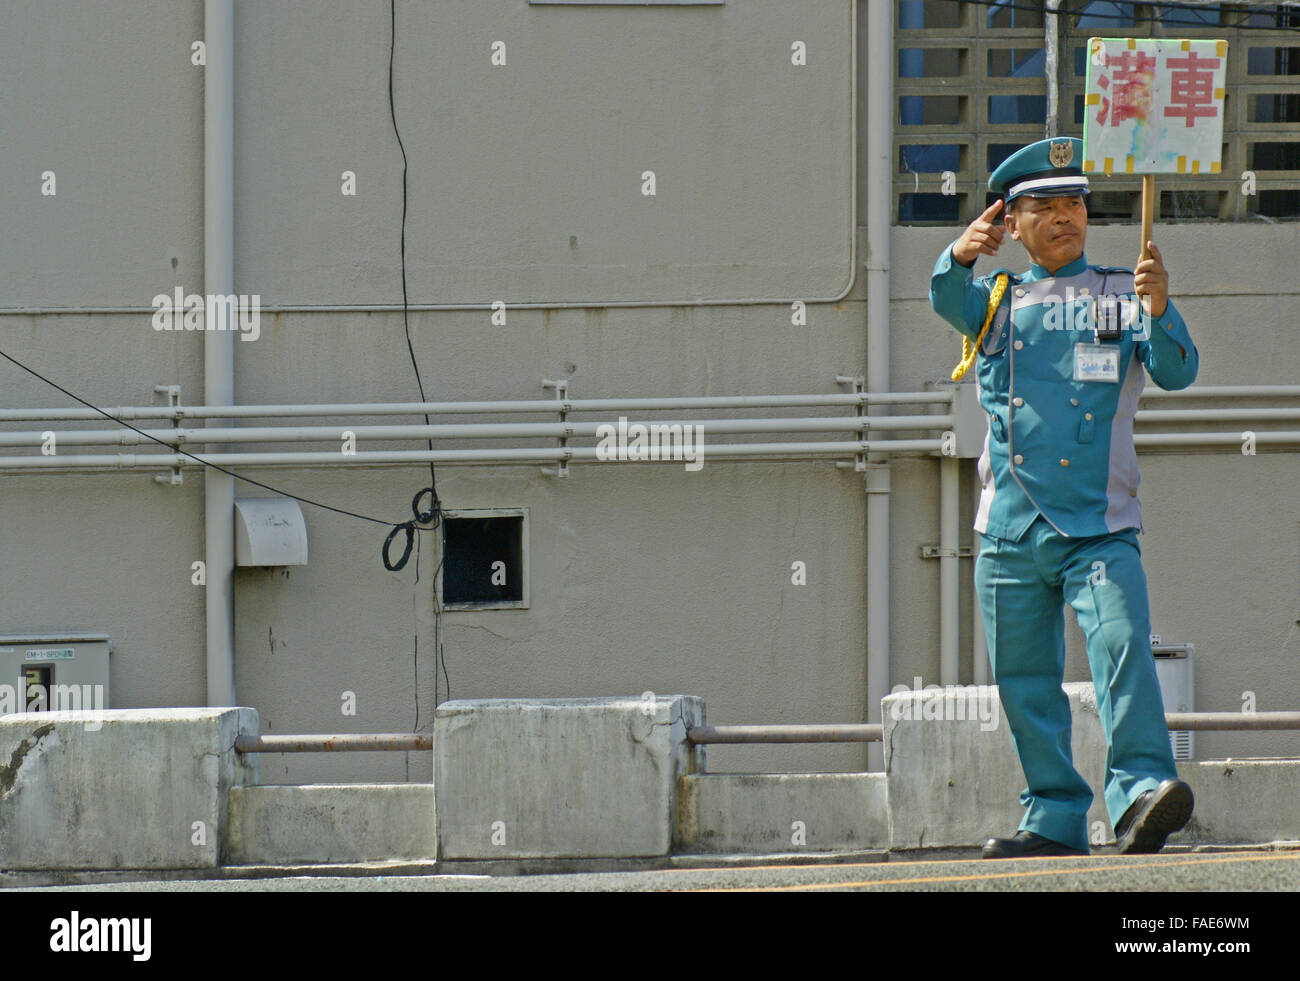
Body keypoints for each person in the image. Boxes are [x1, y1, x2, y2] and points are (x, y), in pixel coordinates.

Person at [928, 137, 1198, 858]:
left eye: (1072, 203)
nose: (1062, 216)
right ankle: (1051, 814)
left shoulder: (1122, 291)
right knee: (1023, 681)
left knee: (1121, 651)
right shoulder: (993, 299)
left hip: (1100, 522)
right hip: (1011, 525)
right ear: (1008, 223)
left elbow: (1175, 370)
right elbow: (943, 293)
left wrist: (1160, 306)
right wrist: (960, 252)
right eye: (1041, 206)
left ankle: (1141, 792)